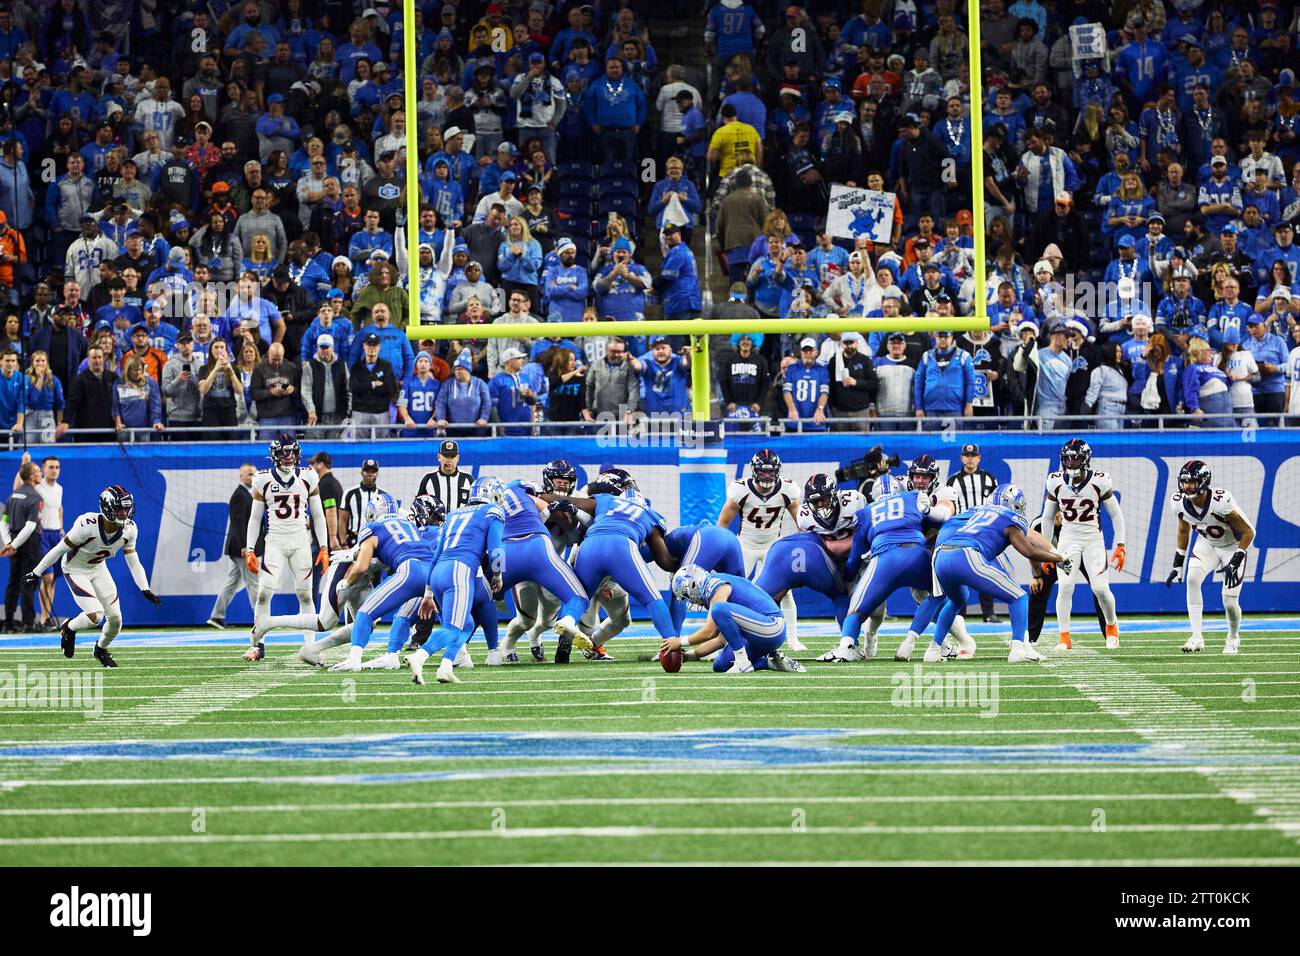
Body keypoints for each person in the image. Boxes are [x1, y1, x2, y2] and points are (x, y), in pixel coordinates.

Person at [927, 484, 1068, 664]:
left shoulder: (976, 511)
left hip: (941, 555)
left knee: (956, 600)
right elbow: (1029, 548)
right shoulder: (1009, 517)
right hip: (967, 553)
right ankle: (1019, 648)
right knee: (1018, 596)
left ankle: (933, 649)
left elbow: (944, 531)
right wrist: (1058, 557)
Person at [27, 485, 162, 668]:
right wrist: (36, 572)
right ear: (107, 508)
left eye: (126, 508)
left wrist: (144, 587)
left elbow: (133, 560)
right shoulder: (87, 525)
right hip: (75, 569)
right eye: (119, 509)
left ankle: (100, 649)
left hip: (98, 569)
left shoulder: (130, 529)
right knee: (95, 615)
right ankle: (69, 627)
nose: (124, 513)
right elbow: (59, 550)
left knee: (115, 619)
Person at [407, 476, 508, 685]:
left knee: (466, 624)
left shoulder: (454, 514)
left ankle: (446, 667)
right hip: (459, 571)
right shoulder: (493, 511)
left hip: (438, 573)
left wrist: (428, 593)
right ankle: (420, 657)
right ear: (494, 494)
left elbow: (436, 555)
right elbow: (496, 549)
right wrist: (498, 575)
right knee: (453, 627)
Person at [241, 436, 329, 662]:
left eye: (292, 453)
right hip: (275, 542)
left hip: (301, 539)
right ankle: (257, 644)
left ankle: (311, 648)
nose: (288, 457)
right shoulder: (263, 479)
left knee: (305, 594)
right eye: (284, 453)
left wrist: (324, 546)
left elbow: (318, 515)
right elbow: (254, 518)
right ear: (274, 455)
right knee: (264, 594)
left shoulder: (308, 476)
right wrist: (250, 548)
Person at [1042, 440, 1128, 654]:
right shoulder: (1055, 482)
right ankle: (1064, 637)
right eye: (1067, 458)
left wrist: (1120, 544)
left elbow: (1116, 514)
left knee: (1100, 588)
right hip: (1068, 540)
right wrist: (1046, 550)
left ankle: (1112, 627)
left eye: (1076, 458)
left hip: (1093, 540)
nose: (1071, 463)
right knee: (1065, 587)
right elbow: (1047, 517)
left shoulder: (1099, 481)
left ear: (1086, 459)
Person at [1167, 461, 1254, 655]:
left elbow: (1249, 532)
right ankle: (1197, 637)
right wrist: (1178, 563)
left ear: (1204, 482)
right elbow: (1183, 531)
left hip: (1232, 547)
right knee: (1192, 578)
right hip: (1208, 543)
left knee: (1229, 601)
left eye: (1192, 482)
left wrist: (1237, 559)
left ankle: (1233, 637)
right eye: (1184, 481)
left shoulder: (1221, 501)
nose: (1187, 486)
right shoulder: (1178, 501)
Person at [661, 565, 802, 674]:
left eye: (687, 596)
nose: (691, 601)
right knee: (720, 665)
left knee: (719, 609)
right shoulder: (715, 585)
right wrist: (687, 657)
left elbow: (710, 631)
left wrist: (680, 641)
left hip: (772, 626)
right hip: (760, 634)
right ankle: (769, 662)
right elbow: (719, 640)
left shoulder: (713, 585)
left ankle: (742, 663)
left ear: (692, 585)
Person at [207, 463, 260, 629]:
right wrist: (246, 546)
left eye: (255, 474)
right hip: (242, 549)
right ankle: (261, 619)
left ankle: (217, 616)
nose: (253, 477)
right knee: (253, 583)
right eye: (250, 474)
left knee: (231, 583)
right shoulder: (240, 495)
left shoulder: (248, 494)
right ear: (241, 477)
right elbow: (238, 524)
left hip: (241, 547)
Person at [0, 461, 44, 632]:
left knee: (13, 582)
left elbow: (3, 522)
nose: (40, 473)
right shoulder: (35, 497)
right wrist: (14, 545)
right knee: (28, 582)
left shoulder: (13, 496)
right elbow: (31, 525)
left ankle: (9, 622)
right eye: (38, 471)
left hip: (14, 543)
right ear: (32, 477)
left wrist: (9, 543)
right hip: (29, 543)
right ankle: (28, 623)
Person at [60, 346, 117, 442]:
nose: (97, 361)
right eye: (94, 358)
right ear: (88, 360)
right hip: (85, 432)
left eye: (99, 357)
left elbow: (118, 402)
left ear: (103, 358)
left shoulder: (113, 377)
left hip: (109, 431)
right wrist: (66, 421)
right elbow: (71, 402)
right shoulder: (79, 380)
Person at [301, 334, 350, 435]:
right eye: (321, 347)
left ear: (332, 348)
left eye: (326, 347)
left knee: (335, 449)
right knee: (315, 449)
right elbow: (306, 390)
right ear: (317, 348)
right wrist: (311, 410)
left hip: (337, 417)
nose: (324, 350)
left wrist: (348, 411)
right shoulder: (309, 365)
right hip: (316, 417)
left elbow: (349, 389)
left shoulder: (342, 365)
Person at [197, 338, 245, 439]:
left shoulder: (234, 368)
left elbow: (239, 391)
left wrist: (230, 370)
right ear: (211, 350)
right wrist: (215, 369)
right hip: (210, 412)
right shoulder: (203, 369)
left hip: (229, 411)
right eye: (216, 347)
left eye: (222, 347)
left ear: (226, 350)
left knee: (232, 445)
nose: (219, 350)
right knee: (212, 445)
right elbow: (203, 390)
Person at [251, 342, 301, 437]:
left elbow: (301, 392)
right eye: (273, 359)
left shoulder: (292, 368)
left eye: (279, 360)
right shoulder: (259, 369)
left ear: (283, 355)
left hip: (288, 416)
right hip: (266, 417)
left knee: (288, 449)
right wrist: (270, 392)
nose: (277, 363)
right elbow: (253, 393)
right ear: (268, 354)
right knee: (265, 449)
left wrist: (292, 390)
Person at [339, 458, 389, 549]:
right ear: (362, 472)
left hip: (376, 539)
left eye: (373, 471)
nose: (370, 474)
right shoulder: (350, 493)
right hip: (354, 539)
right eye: (367, 471)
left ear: (377, 473)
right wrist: (343, 543)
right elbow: (342, 519)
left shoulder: (383, 495)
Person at [160, 332, 203, 434]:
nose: (186, 345)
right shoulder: (170, 365)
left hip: (196, 416)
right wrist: (178, 380)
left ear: (193, 344)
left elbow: (204, 388)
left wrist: (193, 378)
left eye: (188, 342)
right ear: (177, 345)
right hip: (176, 416)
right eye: (183, 343)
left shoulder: (200, 365)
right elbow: (166, 390)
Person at [417, 440, 474, 510]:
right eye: (446, 456)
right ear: (439, 457)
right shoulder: (428, 478)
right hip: (434, 521)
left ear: (458, 458)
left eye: (452, 456)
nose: (449, 460)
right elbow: (418, 504)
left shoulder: (468, 479)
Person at [308, 452, 345, 552]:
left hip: (324, 542)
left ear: (320, 464)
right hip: (324, 539)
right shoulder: (332, 482)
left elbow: (331, 511)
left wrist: (332, 537)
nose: (310, 467)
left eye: (312, 463)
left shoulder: (326, 484)